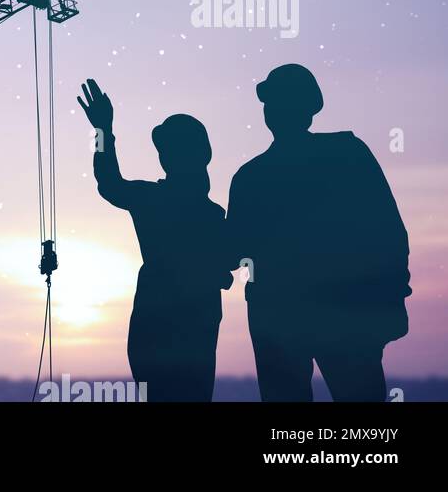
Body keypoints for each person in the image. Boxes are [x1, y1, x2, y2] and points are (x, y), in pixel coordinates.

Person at [227, 63, 410, 402]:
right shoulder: (346, 153)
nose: (271, 109)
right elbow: (388, 230)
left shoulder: (252, 176)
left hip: (300, 313)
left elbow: (233, 252)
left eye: (276, 101)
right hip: (332, 311)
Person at [78, 79, 229, 402]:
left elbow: (109, 183)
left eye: (167, 150)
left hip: (160, 325)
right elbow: (231, 261)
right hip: (187, 326)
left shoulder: (152, 199)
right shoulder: (212, 214)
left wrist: (103, 129)